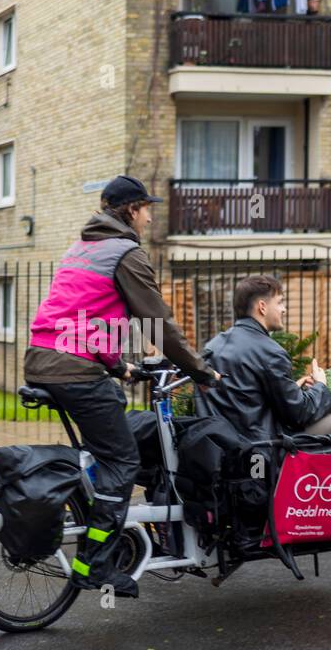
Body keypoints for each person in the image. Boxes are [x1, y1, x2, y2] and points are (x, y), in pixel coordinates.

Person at [25, 174, 220, 598]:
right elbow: (158, 324)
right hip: (74, 371)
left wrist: (119, 366)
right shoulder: (127, 253)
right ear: (131, 210)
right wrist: (201, 370)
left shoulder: (81, 248)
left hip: (42, 360)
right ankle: (93, 565)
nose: (150, 218)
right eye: (147, 209)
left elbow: (77, 316)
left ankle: (96, 518)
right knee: (122, 463)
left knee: (106, 446)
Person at [196, 274, 331, 443]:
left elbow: (245, 399)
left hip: (218, 447)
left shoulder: (212, 346)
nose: (284, 309)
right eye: (279, 302)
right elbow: (298, 415)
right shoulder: (270, 352)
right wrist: (321, 386)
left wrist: (291, 388)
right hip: (262, 449)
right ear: (262, 307)